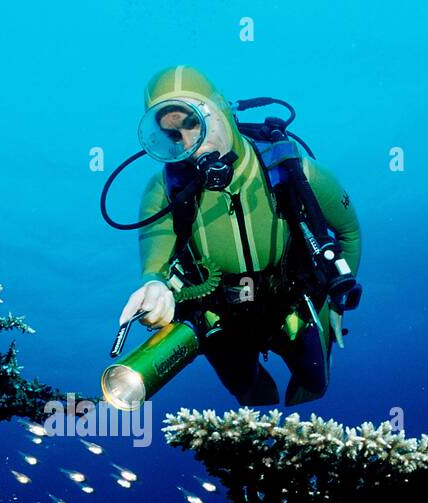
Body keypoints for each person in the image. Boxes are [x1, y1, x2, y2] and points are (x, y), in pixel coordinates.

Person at [118, 66, 361, 406]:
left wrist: (337, 304)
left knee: (315, 384)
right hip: (222, 319)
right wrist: (154, 287)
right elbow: (154, 271)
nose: (191, 145)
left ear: (223, 109)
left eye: (193, 122)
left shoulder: (295, 170)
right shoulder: (164, 191)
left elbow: (348, 230)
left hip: (294, 304)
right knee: (249, 395)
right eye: (175, 136)